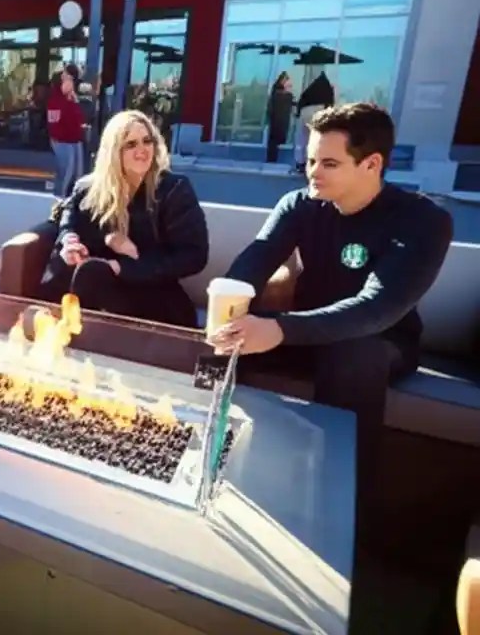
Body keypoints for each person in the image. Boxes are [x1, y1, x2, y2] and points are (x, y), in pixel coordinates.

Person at [210, 102, 452, 627]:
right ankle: (224, 485)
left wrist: (280, 329)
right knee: (230, 342)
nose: (312, 172)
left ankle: (343, 531)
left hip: (381, 341)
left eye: (328, 163)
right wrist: (230, 308)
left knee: (354, 354)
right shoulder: (301, 203)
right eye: (310, 161)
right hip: (306, 331)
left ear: (373, 165)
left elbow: (378, 307)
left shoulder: (423, 222)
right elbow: (255, 259)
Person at [39, 110, 208, 327]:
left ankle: (76, 333)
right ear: (114, 152)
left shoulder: (174, 190)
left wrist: (122, 267)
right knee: (74, 266)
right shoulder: (89, 188)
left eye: (147, 141)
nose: (142, 150)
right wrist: (70, 240)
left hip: (154, 295)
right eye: (131, 144)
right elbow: (68, 215)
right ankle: (53, 328)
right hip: (100, 288)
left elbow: (194, 256)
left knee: (92, 273)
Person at [48, 66, 87, 197]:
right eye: (65, 78)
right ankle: (58, 204)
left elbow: (78, 119)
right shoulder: (55, 100)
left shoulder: (73, 99)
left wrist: (72, 100)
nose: (69, 82)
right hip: (62, 142)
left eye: (71, 79)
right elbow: (55, 126)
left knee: (78, 177)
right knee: (65, 175)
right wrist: (68, 101)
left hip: (75, 141)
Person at [293, 71, 335, 174]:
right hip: (318, 112)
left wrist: (298, 113)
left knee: (302, 139)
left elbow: (302, 100)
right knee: (315, 139)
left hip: (304, 112)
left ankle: (300, 163)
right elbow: (330, 103)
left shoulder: (311, 90)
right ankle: (311, 162)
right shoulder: (327, 89)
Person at [266, 71, 293, 164]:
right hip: (277, 118)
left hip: (277, 118)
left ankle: (272, 158)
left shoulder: (277, 90)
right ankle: (272, 159)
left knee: (274, 140)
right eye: (287, 80)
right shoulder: (279, 92)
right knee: (274, 140)